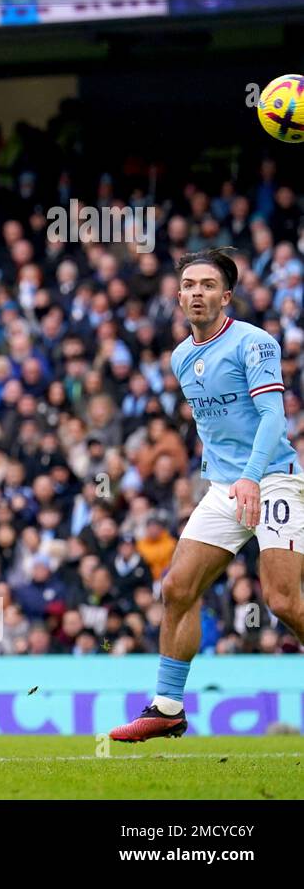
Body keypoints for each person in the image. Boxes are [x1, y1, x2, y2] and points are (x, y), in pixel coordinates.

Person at [111, 249, 304, 742]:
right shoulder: (180, 356)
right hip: (224, 488)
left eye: (207, 285)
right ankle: (168, 707)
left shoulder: (254, 343)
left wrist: (252, 476)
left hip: (273, 478)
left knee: (282, 601)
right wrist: (215, 474)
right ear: (178, 296)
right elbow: (213, 427)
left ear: (226, 295)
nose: (197, 292)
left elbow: (273, 419)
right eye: (189, 285)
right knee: (177, 587)